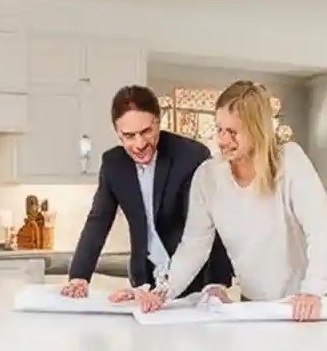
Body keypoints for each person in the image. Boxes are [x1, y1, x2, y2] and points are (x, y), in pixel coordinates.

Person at [138, 80, 327, 321]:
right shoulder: (208, 177)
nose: (223, 140)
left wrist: (313, 291)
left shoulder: (289, 162)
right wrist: (164, 291)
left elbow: (322, 233)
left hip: (308, 304)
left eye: (233, 132)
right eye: (219, 130)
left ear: (257, 130)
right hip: (257, 306)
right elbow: (194, 246)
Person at [61, 85, 233, 301]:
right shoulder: (113, 164)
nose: (139, 144)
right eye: (129, 136)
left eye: (146, 132)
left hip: (195, 282)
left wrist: (216, 282)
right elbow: (98, 220)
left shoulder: (192, 156)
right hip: (145, 280)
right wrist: (79, 276)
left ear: (158, 122)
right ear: (117, 131)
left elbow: (212, 223)